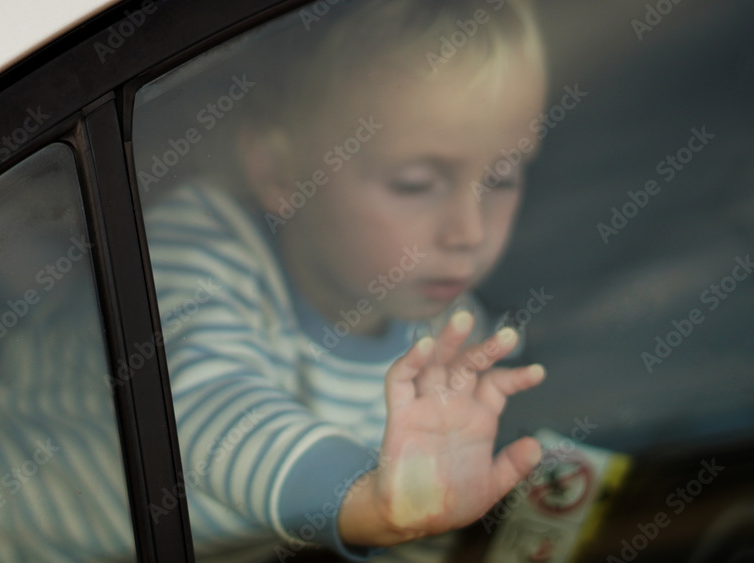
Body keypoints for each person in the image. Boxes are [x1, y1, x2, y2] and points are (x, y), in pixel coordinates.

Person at [140, 0, 549, 559]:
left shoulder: (457, 341)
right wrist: (372, 504)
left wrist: (420, 515)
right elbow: (205, 411)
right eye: (415, 183)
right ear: (280, 171)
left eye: (500, 178)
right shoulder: (197, 247)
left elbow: (426, 518)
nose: (469, 231)